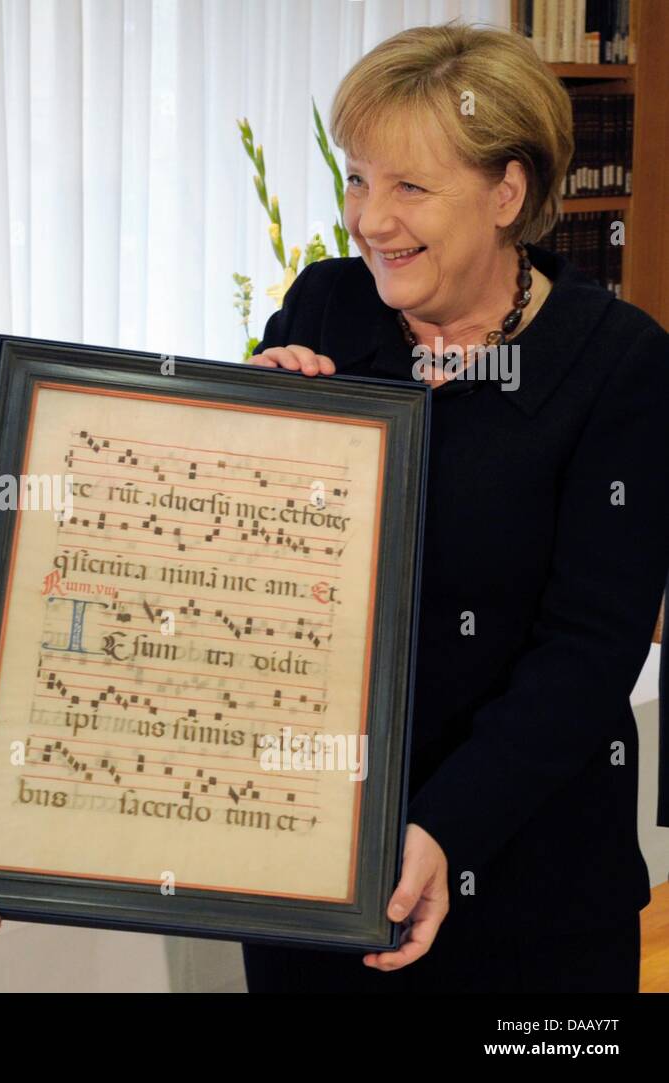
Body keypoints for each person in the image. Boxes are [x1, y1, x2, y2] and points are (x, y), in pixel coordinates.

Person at [244, 22, 669, 993]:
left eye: (408, 187)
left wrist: (441, 828)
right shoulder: (325, 306)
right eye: (357, 178)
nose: (369, 219)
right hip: (310, 864)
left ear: (506, 193)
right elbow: (261, 561)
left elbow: (590, 653)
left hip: (525, 889)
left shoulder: (616, 366)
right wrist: (256, 425)